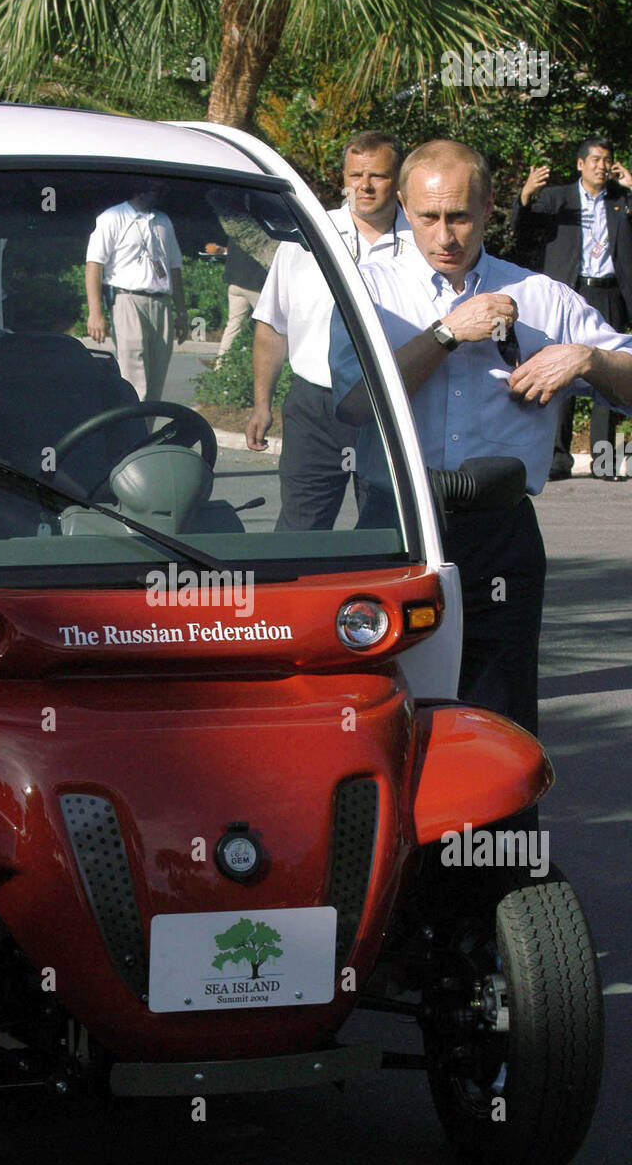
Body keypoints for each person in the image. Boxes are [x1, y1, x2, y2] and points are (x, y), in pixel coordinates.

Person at [330, 138, 632, 744]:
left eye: (461, 217)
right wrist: (445, 334)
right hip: (399, 527)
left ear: (491, 206)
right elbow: (356, 406)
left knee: (500, 720)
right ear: (405, 209)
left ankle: (494, 835)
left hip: (499, 533)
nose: (446, 236)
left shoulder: (541, 295)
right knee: (388, 710)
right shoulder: (370, 290)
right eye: (428, 217)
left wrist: (588, 358)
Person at [245, 130, 413, 531]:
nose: (365, 186)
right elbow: (272, 326)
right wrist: (261, 405)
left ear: (399, 180)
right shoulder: (307, 237)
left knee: (389, 530)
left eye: (378, 176)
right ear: (343, 177)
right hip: (315, 408)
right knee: (301, 530)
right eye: (356, 175)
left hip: (390, 407)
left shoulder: (423, 243)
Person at [508, 136, 632, 480]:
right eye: (595, 159)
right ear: (580, 164)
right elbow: (522, 229)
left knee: (603, 368)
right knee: (561, 372)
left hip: (608, 293)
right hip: (568, 292)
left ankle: (603, 461)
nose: (602, 166)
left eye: (607, 160)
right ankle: (557, 460)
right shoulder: (558, 198)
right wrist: (526, 194)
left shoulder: (622, 201)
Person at [85, 179, 188, 401]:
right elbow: (94, 265)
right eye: (158, 189)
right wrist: (95, 313)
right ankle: (131, 434)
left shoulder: (163, 221)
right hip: (127, 301)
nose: (162, 194)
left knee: (155, 383)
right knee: (134, 380)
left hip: (161, 302)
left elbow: (175, 269)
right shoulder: (112, 218)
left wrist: (181, 312)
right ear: (140, 191)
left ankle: (146, 435)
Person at [215, 240, 268, 363]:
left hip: (235, 282)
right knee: (273, 327)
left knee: (233, 326)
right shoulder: (262, 231)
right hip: (257, 284)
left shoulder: (239, 227)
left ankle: (220, 365)